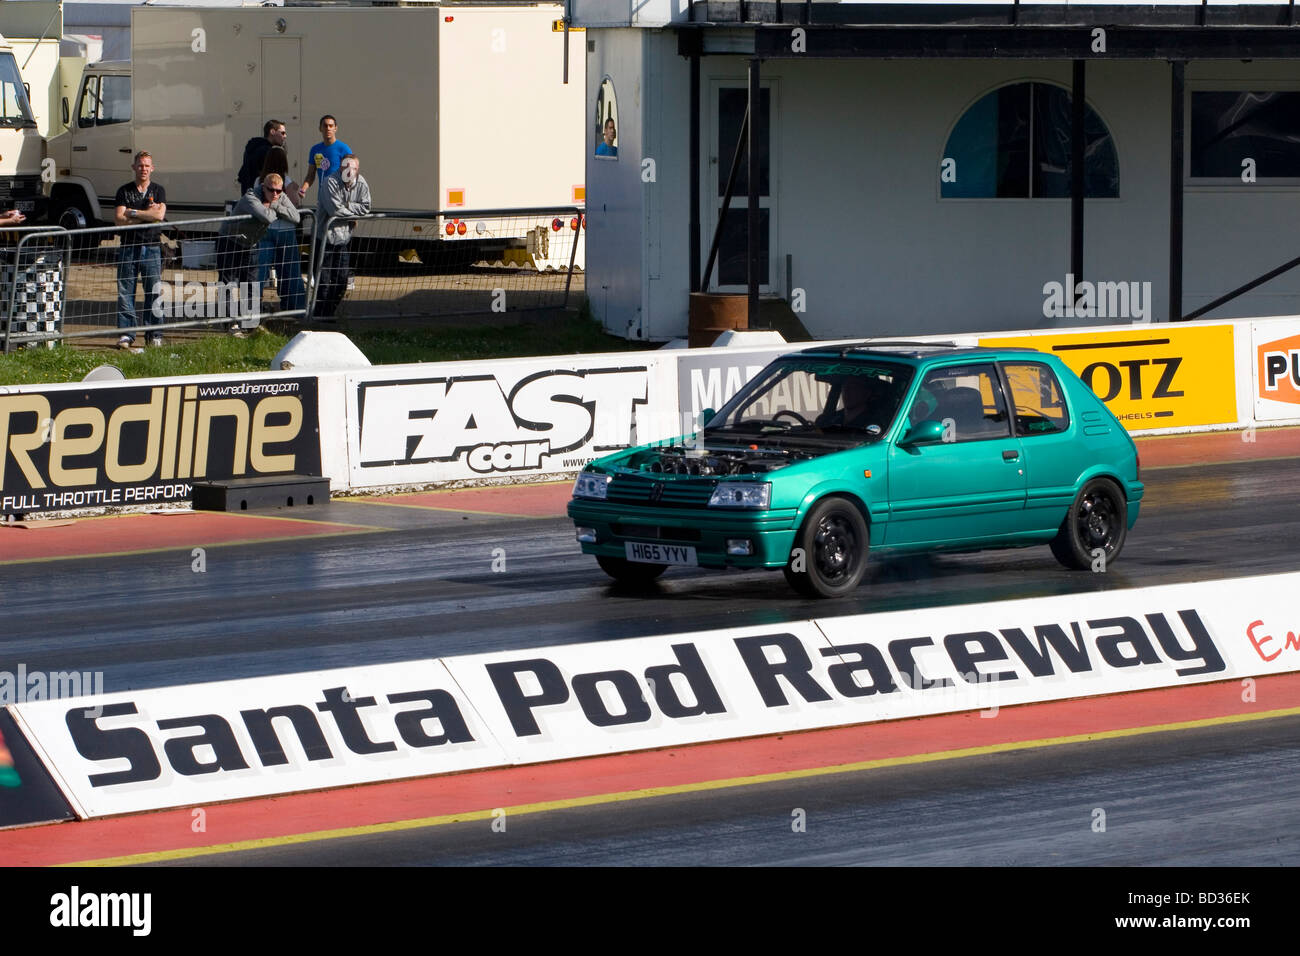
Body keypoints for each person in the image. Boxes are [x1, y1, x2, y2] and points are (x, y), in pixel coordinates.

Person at [217, 172, 300, 335]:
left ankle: (249, 323)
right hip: (230, 241)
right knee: (228, 284)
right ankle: (229, 323)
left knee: (251, 284)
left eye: (279, 191)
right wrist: (278, 209)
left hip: (251, 243)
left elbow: (296, 217)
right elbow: (266, 217)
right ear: (263, 187)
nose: (275, 194)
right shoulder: (250, 197)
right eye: (271, 190)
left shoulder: (278, 197)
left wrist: (274, 205)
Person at [114, 151, 167, 349]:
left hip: (152, 247)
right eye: (140, 165)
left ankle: (154, 334)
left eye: (147, 166)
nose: (143, 169)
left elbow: (159, 215)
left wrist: (133, 212)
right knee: (125, 292)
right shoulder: (123, 191)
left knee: (153, 292)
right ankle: (127, 334)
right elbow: (119, 219)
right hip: (128, 247)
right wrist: (147, 215)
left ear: (152, 168)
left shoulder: (158, 190)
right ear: (133, 167)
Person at [313, 153, 370, 318]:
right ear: (341, 167)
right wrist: (352, 213)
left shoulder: (361, 183)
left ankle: (328, 313)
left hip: (343, 240)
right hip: (325, 239)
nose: (350, 171)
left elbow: (366, 207)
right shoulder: (329, 182)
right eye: (347, 167)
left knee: (342, 280)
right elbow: (334, 210)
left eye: (354, 169)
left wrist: (347, 205)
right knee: (323, 281)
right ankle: (319, 315)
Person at [253, 146, 306, 314]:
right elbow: (296, 203)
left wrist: (271, 206)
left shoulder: (258, 182)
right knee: (290, 271)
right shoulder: (286, 181)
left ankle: (253, 307)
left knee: (259, 271)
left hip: (265, 230)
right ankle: (295, 308)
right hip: (285, 231)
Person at [298, 115, 351, 203]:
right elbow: (310, 175)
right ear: (320, 128)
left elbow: (350, 175)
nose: (328, 128)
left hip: (339, 198)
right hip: (322, 198)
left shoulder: (344, 149)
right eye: (325, 126)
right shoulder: (315, 149)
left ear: (335, 128)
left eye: (331, 126)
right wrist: (303, 188)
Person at [238, 119, 287, 194]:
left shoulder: (252, 147)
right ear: (272, 132)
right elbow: (273, 177)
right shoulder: (268, 151)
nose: (285, 136)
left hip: (248, 196)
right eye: (282, 133)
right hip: (261, 197)